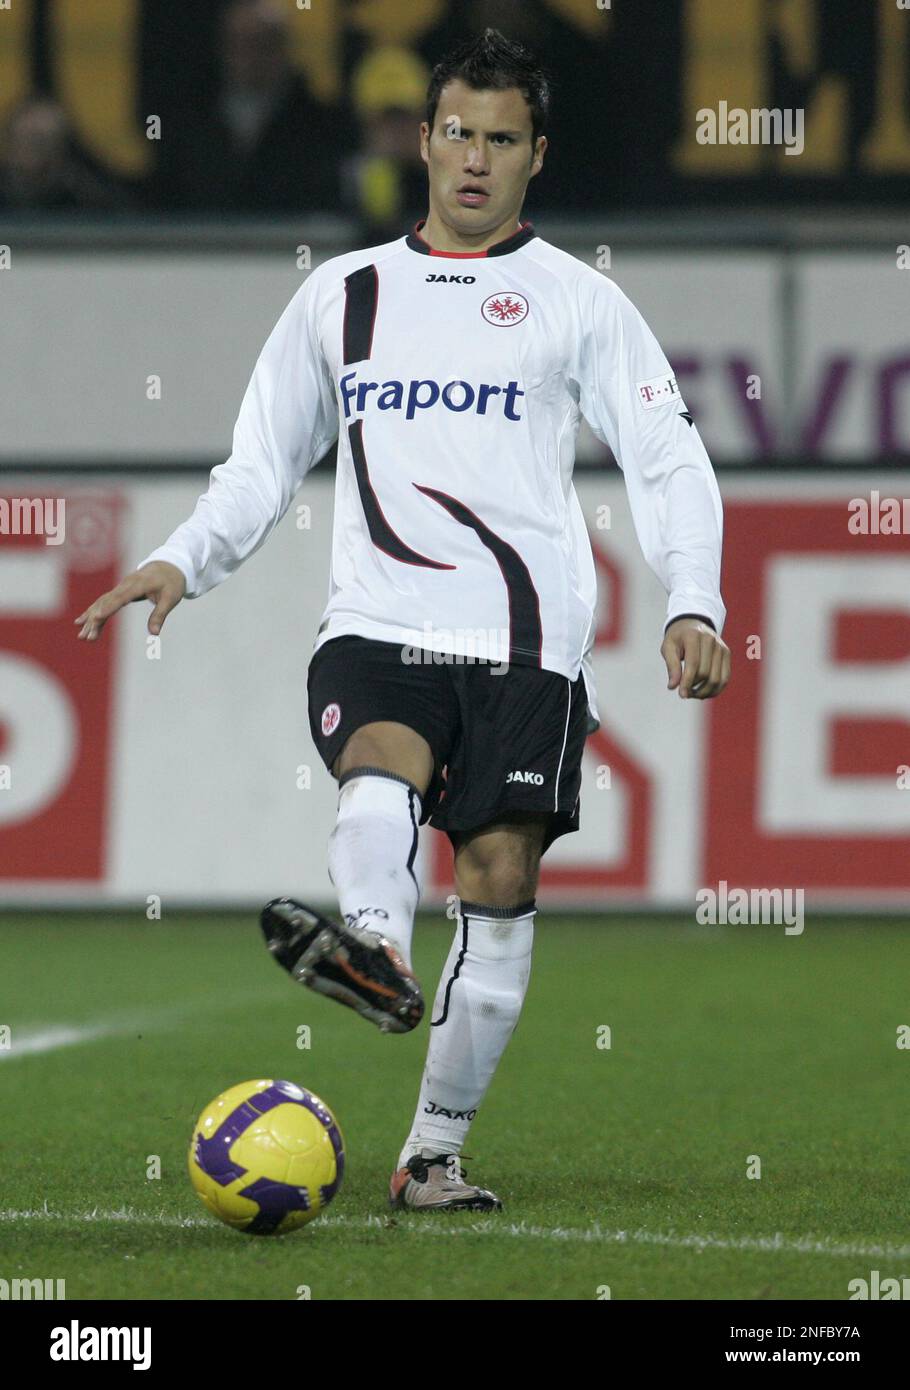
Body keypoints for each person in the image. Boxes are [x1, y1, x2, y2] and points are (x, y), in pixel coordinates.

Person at [75, 28, 731, 1213]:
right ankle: (375, 946)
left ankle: (431, 1153)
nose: (474, 161)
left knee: (495, 869)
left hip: (526, 641)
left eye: (501, 141)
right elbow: (260, 464)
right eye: (457, 135)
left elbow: (669, 459)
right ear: (424, 140)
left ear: (537, 156)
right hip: (379, 621)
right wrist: (182, 560)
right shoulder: (341, 294)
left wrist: (694, 596)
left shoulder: (579, 301)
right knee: (376, 766)